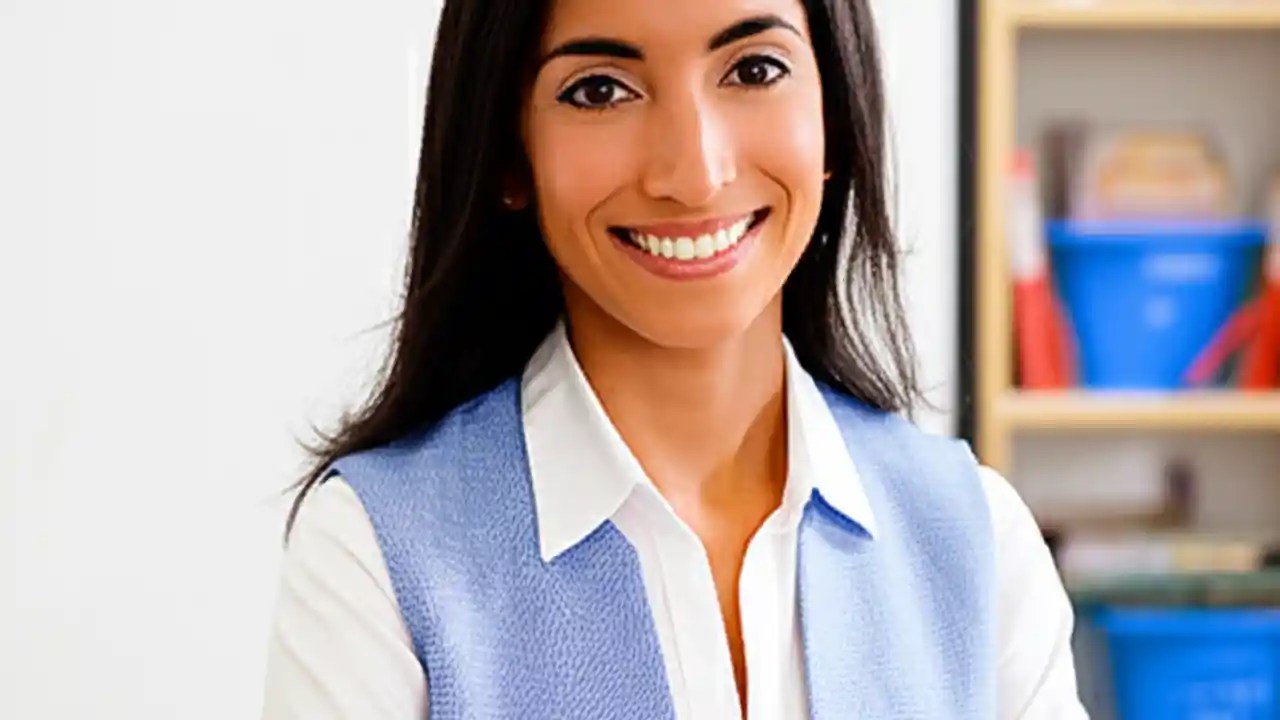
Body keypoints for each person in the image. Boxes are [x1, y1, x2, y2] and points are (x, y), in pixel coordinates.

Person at [262, 0, 1088, 717]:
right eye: (600, 90)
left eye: (755, 69)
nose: (693, 173)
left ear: (834, 111)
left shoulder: (979, 541)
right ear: (509, 153)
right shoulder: (374, 557)